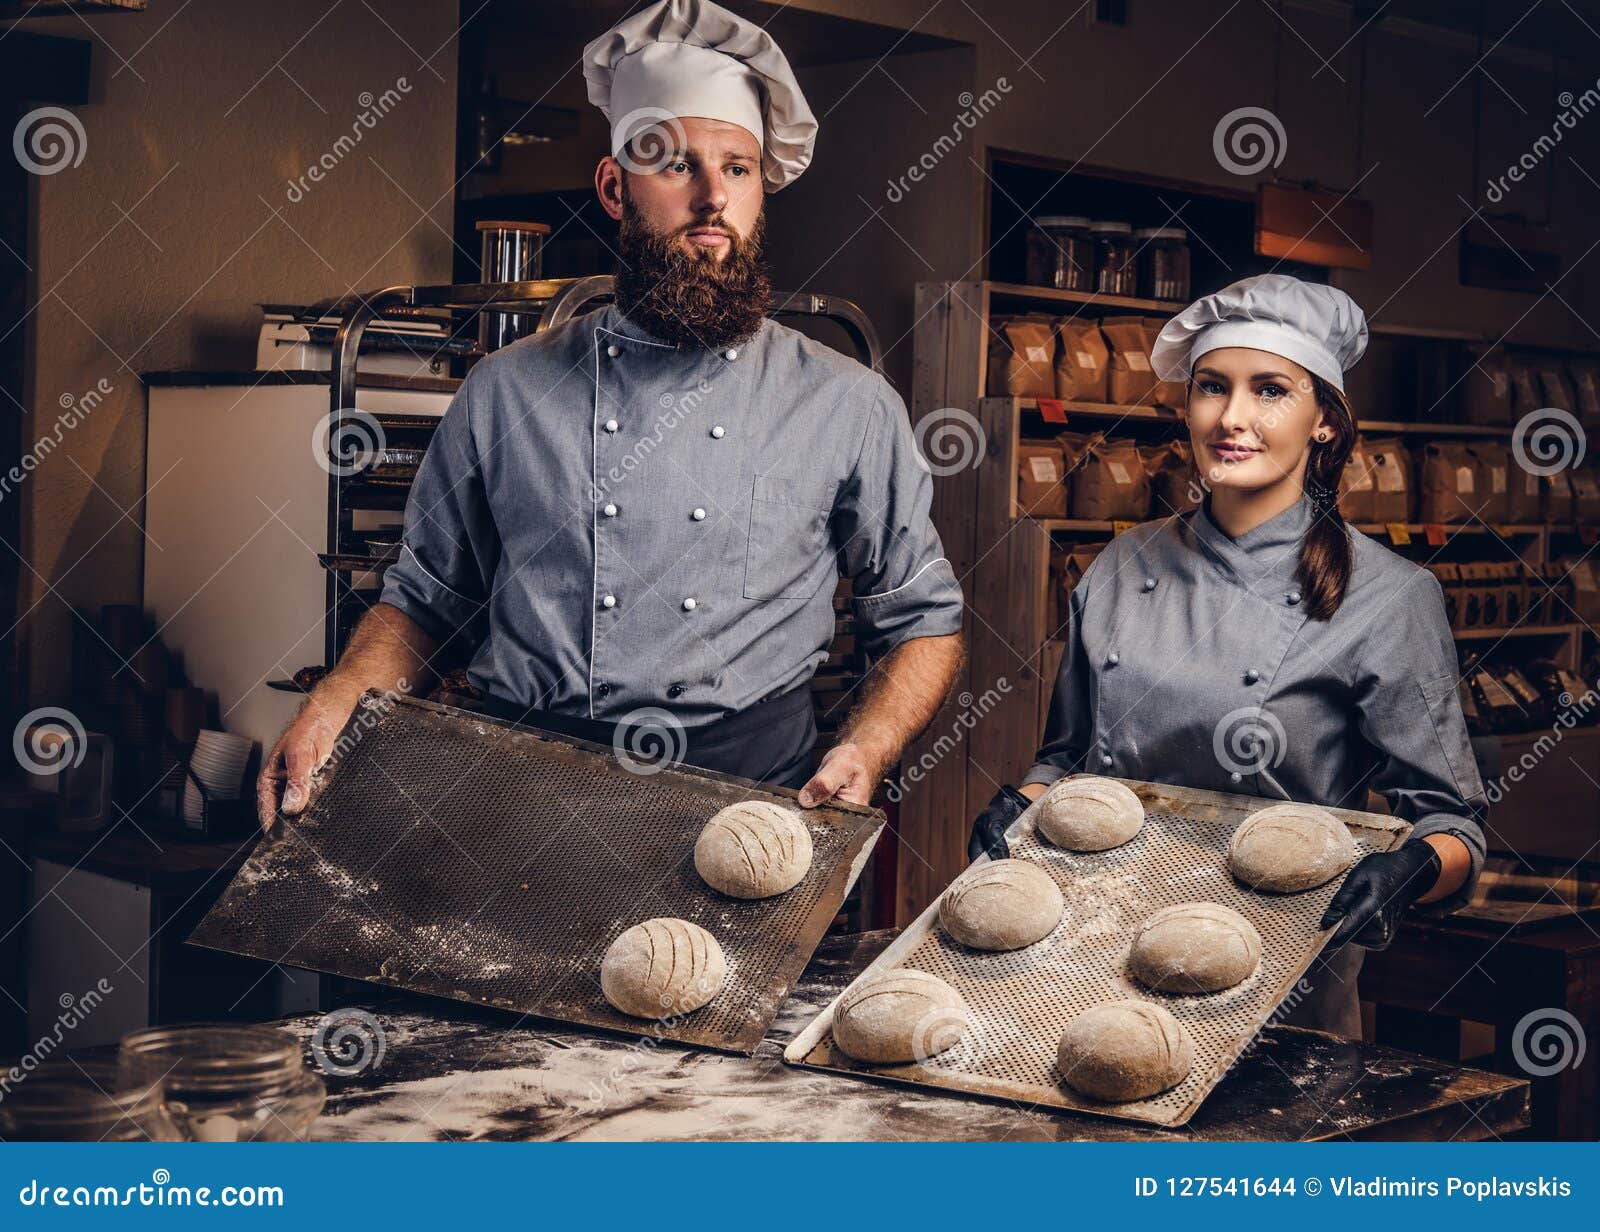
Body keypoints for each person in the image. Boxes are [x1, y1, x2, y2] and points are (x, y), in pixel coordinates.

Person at [257, 0, 965, 829]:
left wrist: (868, 747)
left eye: (738, 169)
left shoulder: (846, 403)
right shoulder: (504, 393)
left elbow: (924, 621)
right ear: (612, 187)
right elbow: (424, 602)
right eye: (676, 166)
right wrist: (336, 699)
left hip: (749, 807)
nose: (712, 200)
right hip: (522, 796)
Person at [968, 274, 1486, 1036]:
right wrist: (1022, 806)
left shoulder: (1388, 596)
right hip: (1089, 948)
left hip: (1275, 973)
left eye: (1270, 390)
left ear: (1324, 424)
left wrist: (1409, 871)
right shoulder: (1118, 567)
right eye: (1212, 387)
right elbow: (1068, 758)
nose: (1232, 418)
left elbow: (1454, 824)